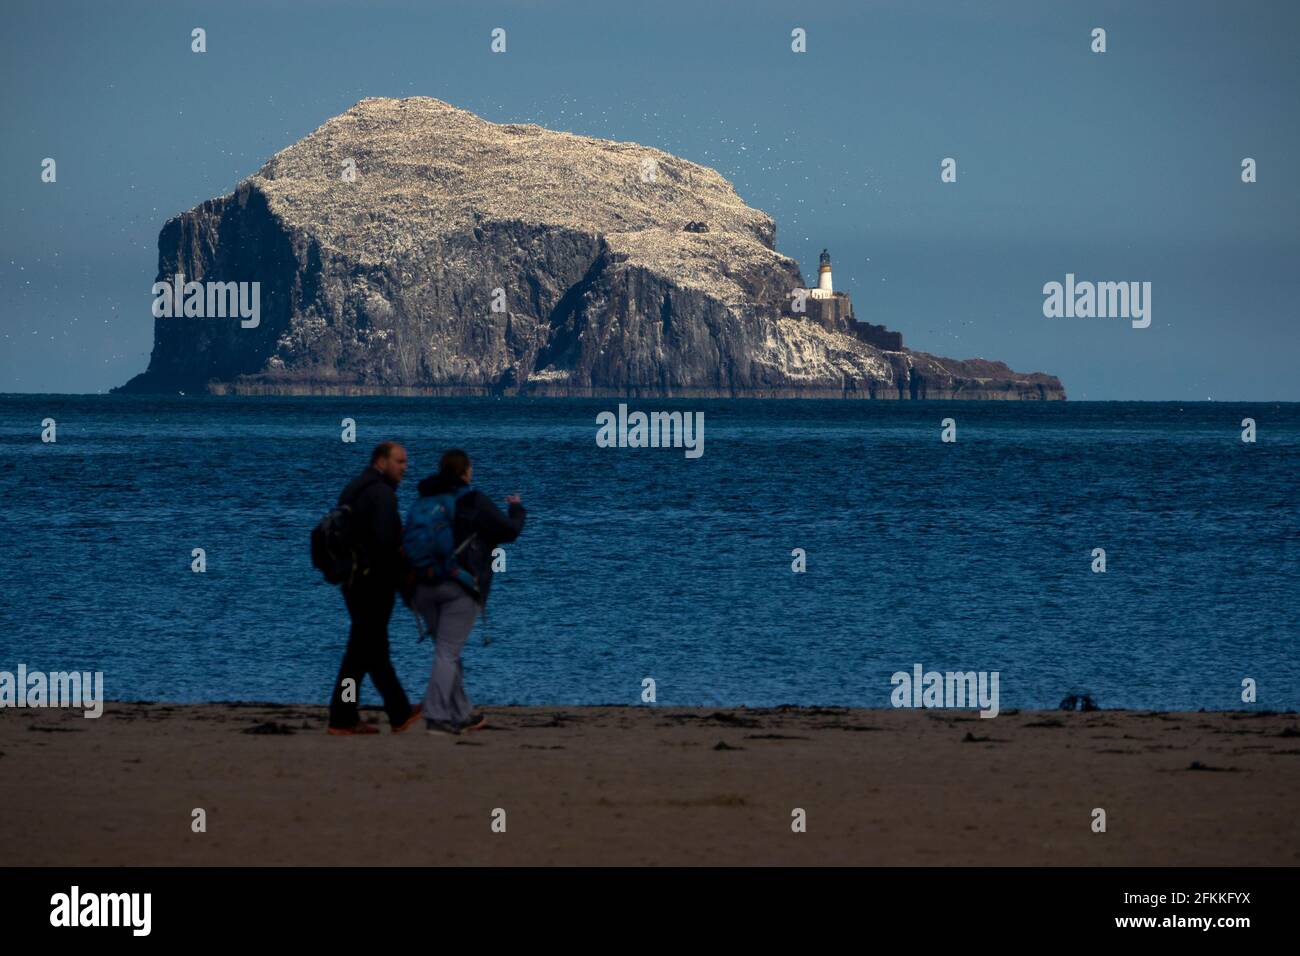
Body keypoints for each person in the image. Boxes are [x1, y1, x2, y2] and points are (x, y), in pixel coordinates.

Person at [410, 449, 525, 735]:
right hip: (458, 585)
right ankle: (436, 716)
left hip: (421, 585)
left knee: (447, 650)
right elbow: (509, 531)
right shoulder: (474, 501)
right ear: (465, 473)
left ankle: (461, 713)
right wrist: (517, 509)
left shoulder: (425, 500)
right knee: (448, 653)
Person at [327, 441, 423, 736]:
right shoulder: (382, 496)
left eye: (406, 462)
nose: (405, 468)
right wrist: (404, 584)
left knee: (364, 651)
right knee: (367, 651)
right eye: (399, 462)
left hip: (351, 580)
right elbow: (386, 546)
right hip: (372, 584)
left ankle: (358, 714)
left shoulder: (354, 487)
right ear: (381, 462)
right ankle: (389, 713)